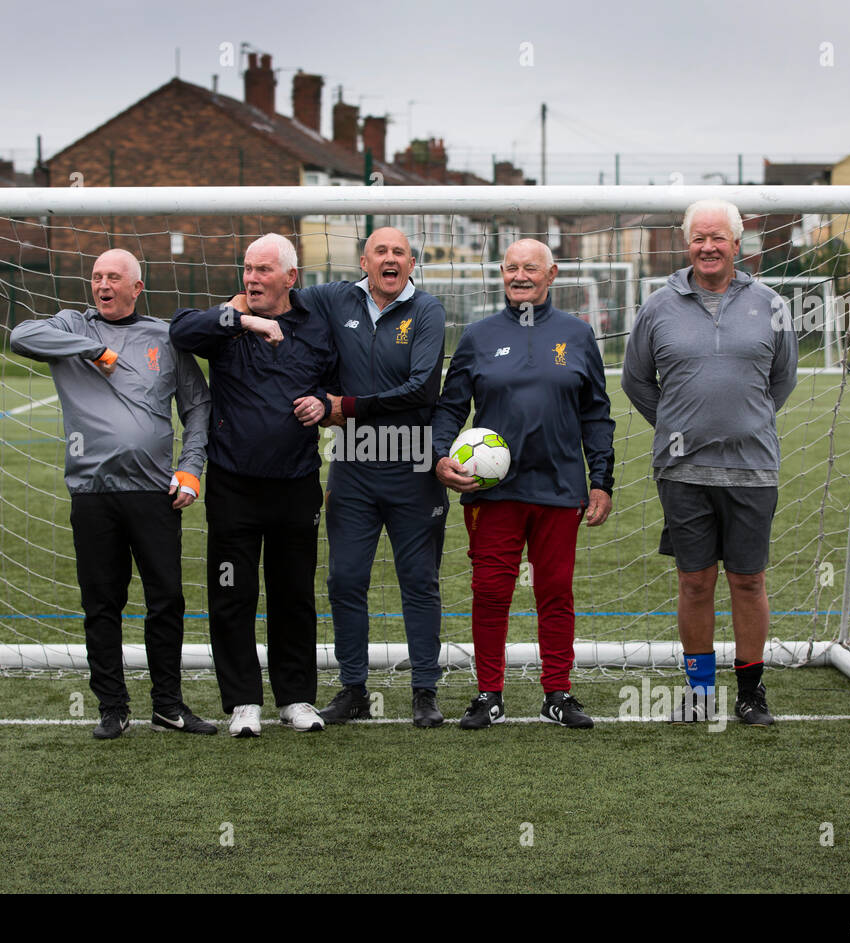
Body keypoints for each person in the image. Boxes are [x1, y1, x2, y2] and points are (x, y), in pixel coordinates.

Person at [10, 248, 213, 739]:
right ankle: (112, 707)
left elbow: (199, 405)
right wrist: (89, 350)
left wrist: (190, 469)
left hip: (154, 493)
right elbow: (19, 335)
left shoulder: (165, 337)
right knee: (102, 603)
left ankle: (167, 704)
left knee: (166, 599)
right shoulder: (71, 327)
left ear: (136, 287)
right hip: (93, 493)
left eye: (114, 278)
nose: (103, 285)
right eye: (97, 277)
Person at [621, 198, 798, 727]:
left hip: (752, 469)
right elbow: (636, 381)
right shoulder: (658, 305)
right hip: (683, 473)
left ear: (736, 244)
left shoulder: (771, 304)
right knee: (694, 582)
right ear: (686, 243)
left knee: (748, 581)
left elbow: (782, 381)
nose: (708, 246)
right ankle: (699, 691)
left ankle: (750, 691)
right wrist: (679, 428)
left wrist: (743, 421)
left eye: (718, 237)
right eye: (699, 237)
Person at [431, 238, 615, 730]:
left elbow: (597, 414)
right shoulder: (478, 336)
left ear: (551, 274)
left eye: (529, 268)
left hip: (559, 488)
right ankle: (489, 693)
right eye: (510, 268)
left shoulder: (577, 335)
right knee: (491, 592)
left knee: (555, 591)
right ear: (501, 275)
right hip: (493, 493)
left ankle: (557, 692)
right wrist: (440, 456)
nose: (519, 276)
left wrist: (602, 481)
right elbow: (450, 407)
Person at [170, 233, 337, 737]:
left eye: (264, 270)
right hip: (233, 488)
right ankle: (243, 702)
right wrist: (243, 318)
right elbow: (179, 330)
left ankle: (297, 699)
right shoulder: (226, 324)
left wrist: (324, 404)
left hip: (296, 483)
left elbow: (336, 386)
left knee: (292, 595)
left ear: (291, 277)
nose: (251, 278)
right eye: (247, 269)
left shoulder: (316, 327)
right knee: (232, 594)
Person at [286, 227, 449, 728]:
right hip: (354, 466)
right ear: (365, 261)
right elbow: (281, 296)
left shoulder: (427, 311)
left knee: (419, 581)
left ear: (412, 264)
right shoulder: (335, 299)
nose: (390, 258)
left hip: (414, 466)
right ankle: (354, 688)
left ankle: (425, 689)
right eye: (381, 251)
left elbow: (421, 389)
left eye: (400, 252)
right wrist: (239, 305)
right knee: (345, 579)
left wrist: (346, 406)